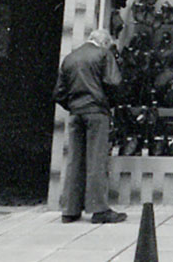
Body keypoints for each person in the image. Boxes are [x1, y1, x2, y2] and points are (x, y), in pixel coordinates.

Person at [53, 28, 127, 224]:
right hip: (96, 112)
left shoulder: (70, 58)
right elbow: (114, 82)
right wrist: (108, 104)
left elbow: (59, 93)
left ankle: (70, 210)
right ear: (104, 42)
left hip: (76, 113)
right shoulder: (104, 54)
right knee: (96, 159)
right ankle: (99, 208)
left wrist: (74, 106)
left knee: (74, 160)